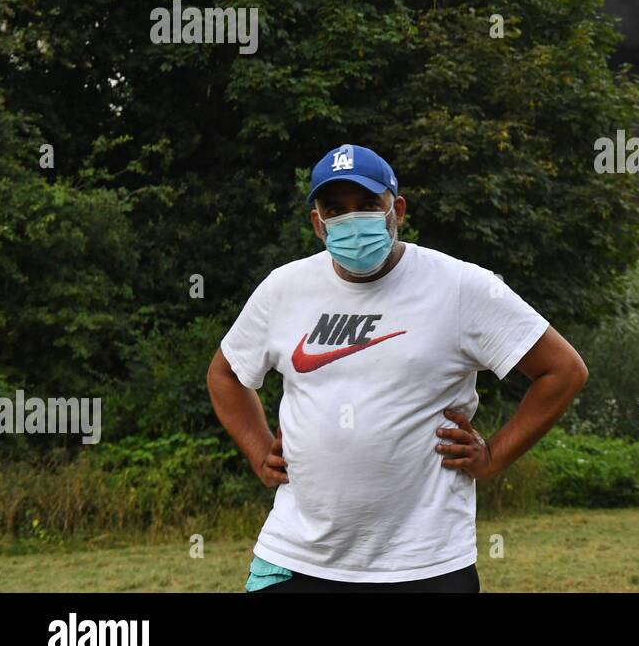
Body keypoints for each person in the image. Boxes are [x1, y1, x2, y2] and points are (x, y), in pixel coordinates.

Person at [207, 143, 588, 592]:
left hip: (426, 564)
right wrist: (257, 450)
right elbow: (226, 374)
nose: (353, 221)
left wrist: (492, 455)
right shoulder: (284, 288)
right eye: (336, 209)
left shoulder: (462, 286)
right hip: (296, 556)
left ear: (397, 209)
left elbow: (562, 370)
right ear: (318, 223)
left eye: (369, 205)